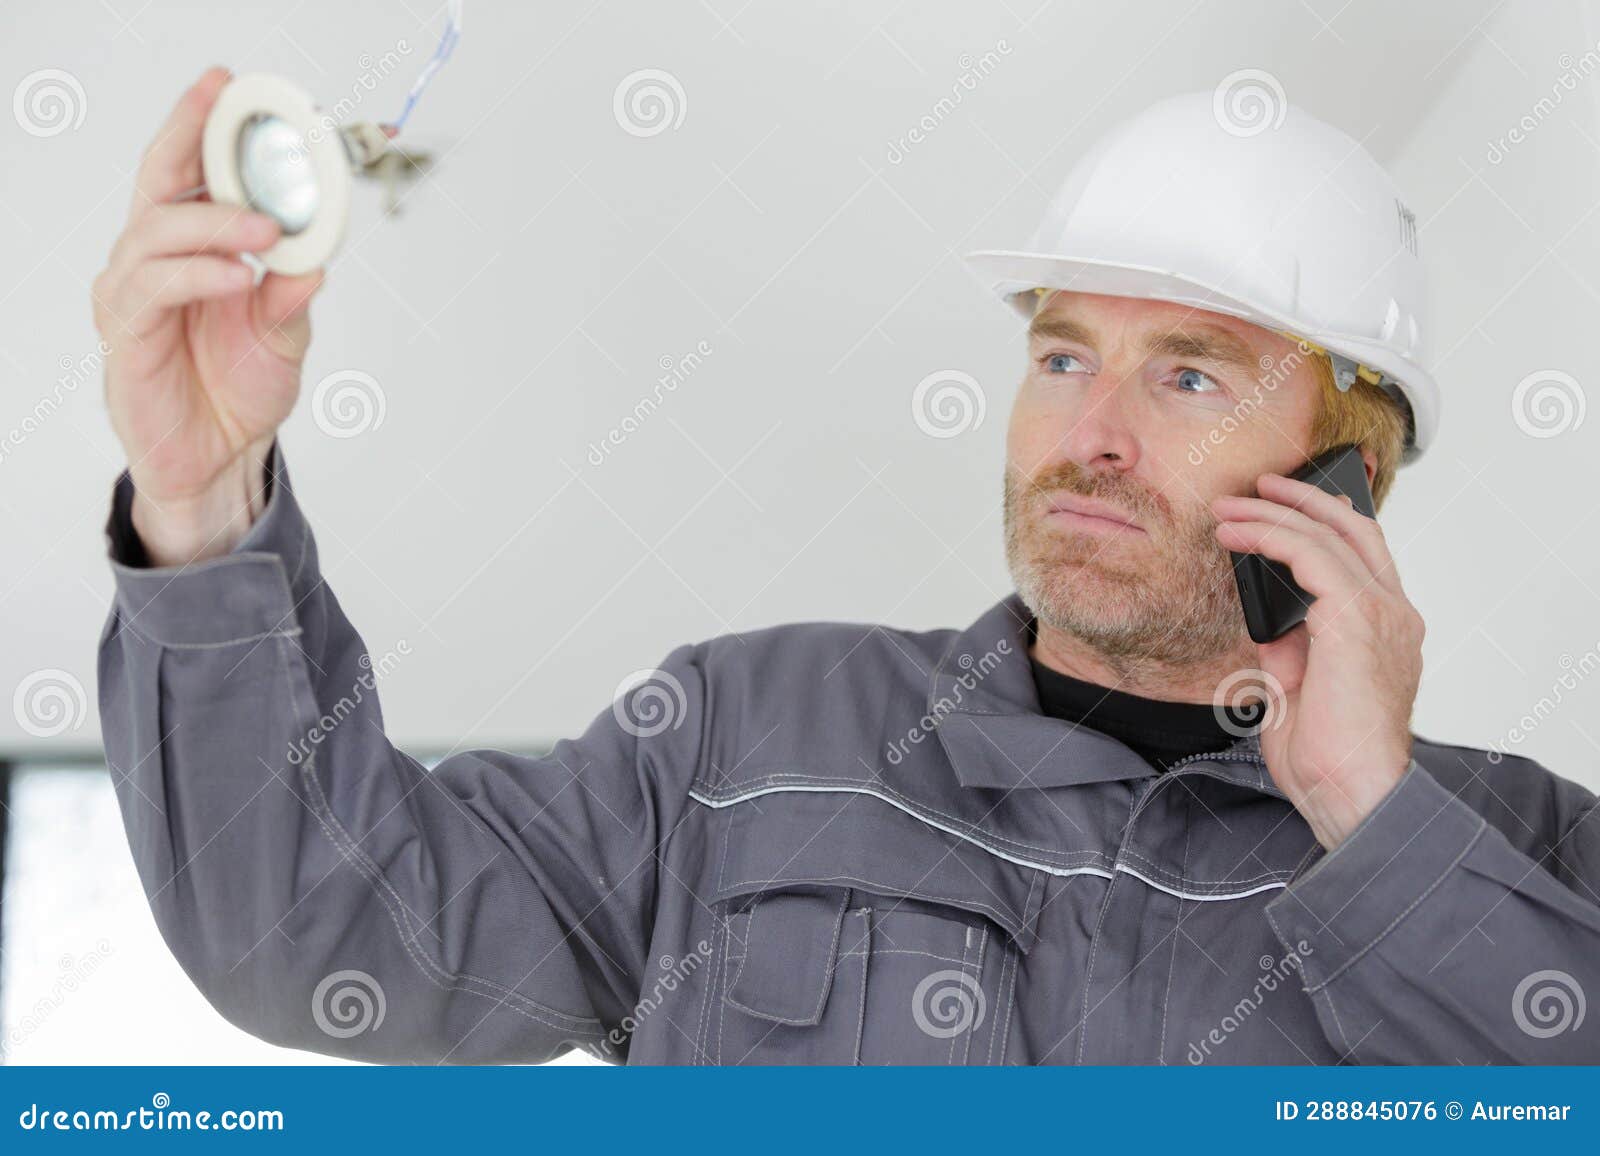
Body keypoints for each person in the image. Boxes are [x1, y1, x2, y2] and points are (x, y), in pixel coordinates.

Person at [93, 71, 1599, 1064]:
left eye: (1190, 377)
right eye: (1064, 354)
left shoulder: (1528, 851)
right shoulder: (744, 741)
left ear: (1349, 477)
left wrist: (1375, 821)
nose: (1092, 434)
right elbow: (313, 936)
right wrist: (201, 491)